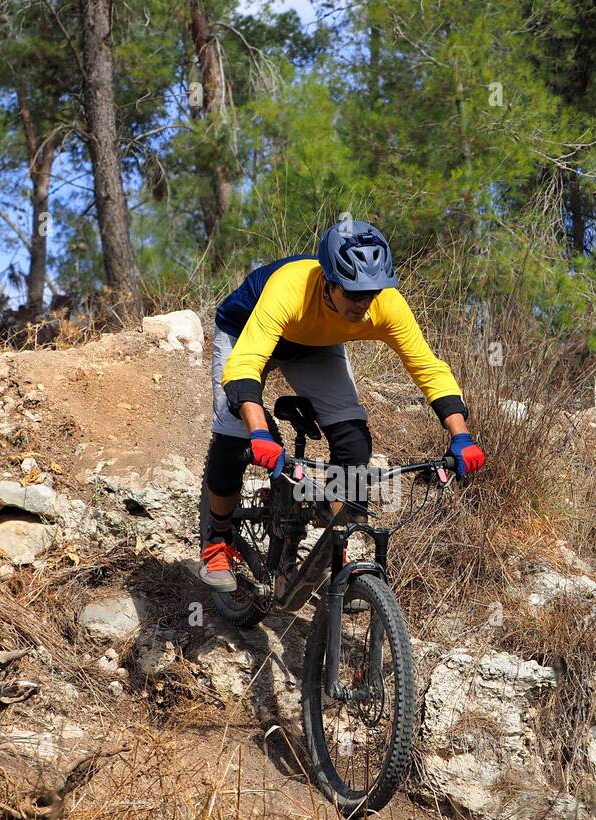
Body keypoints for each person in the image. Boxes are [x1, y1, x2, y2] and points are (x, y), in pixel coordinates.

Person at [196, 219, 486, 590]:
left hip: (316, 345)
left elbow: (427, 367)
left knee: (353, 440)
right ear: (328, 283)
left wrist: (461, 435)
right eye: (354, 294)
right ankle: (217, 540)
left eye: (373, 293)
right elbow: (246, 363)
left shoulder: (385, 305)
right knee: (234, 435)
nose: (365, 305)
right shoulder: (290, 289)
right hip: (244, 332)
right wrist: (258, 432)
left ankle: (338, 549)